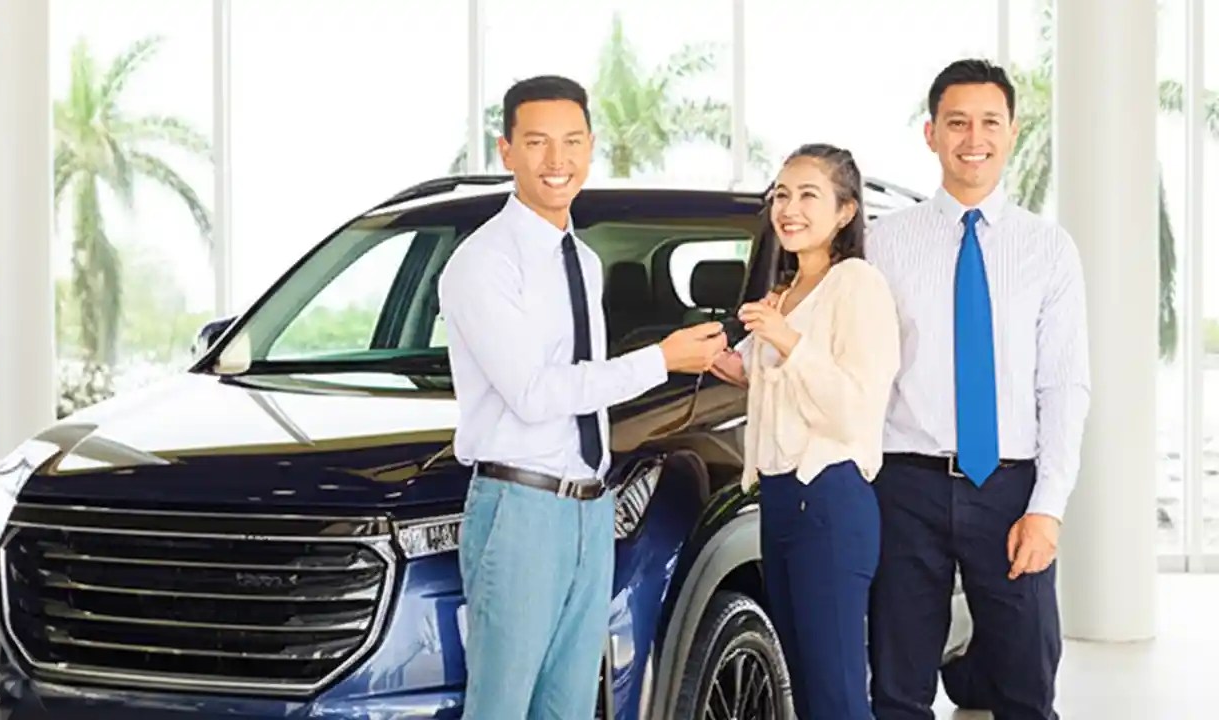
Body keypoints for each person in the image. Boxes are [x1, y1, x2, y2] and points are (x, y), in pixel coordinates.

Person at [437, 74, 728, 719]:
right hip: (521, 509)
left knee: (570, 706)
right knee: (501, 708)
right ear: (506, 150)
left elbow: (584, 383)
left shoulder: (583, 260)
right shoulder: (485, 262)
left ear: (591, 146)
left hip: (591, 508)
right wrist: (661, 360)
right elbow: (534, 393)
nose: (557, 159)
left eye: (572, 141)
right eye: (536, 142)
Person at [864, 58, 1091, 720]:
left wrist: (1048, 508)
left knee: (1026, 691)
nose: (974, 138)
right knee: (897, 692)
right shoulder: (883, 243)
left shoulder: (1049, 250)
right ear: (930, 133)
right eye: (957, 122)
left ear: (1013, 132)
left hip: (1012, 492)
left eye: (990, 122)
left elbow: (1064, 385)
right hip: (905, 488)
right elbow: (846, 350)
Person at [709, 143, 901, 720]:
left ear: (845, 211)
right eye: (782, 195)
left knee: (838, 696)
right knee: (807, 692)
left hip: (830, 502)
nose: (789, 209)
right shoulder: (787, 292)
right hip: (779, 501)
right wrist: (726, 361)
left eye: (808, 195)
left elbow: (854, 410)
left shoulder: (858, 284)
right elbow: (767, 382)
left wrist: (786, 339)